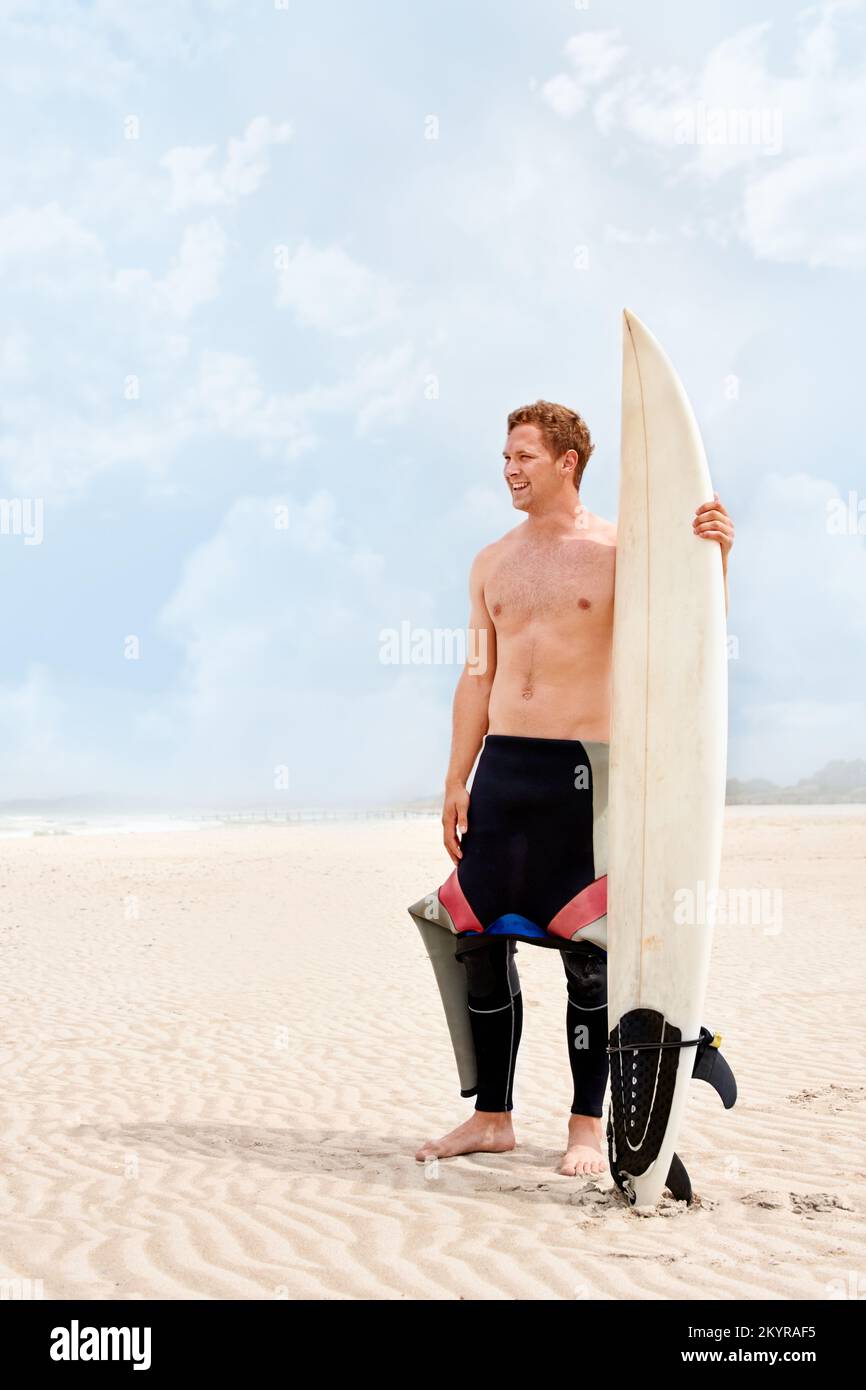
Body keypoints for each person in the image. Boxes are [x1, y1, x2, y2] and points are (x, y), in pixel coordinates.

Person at [414, 400, 734, 1175]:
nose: (509, 470)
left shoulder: (623, 551)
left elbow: (686, 627)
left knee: (587, 954)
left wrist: (717, 557)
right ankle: (492, 1117)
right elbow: (476, 674)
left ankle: (587, 1127)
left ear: (566, 463)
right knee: (478, 940)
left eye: (523, 455)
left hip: (586, 775)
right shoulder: (492, 559)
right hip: (505, 775)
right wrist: (457, 777)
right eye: (504, 456)